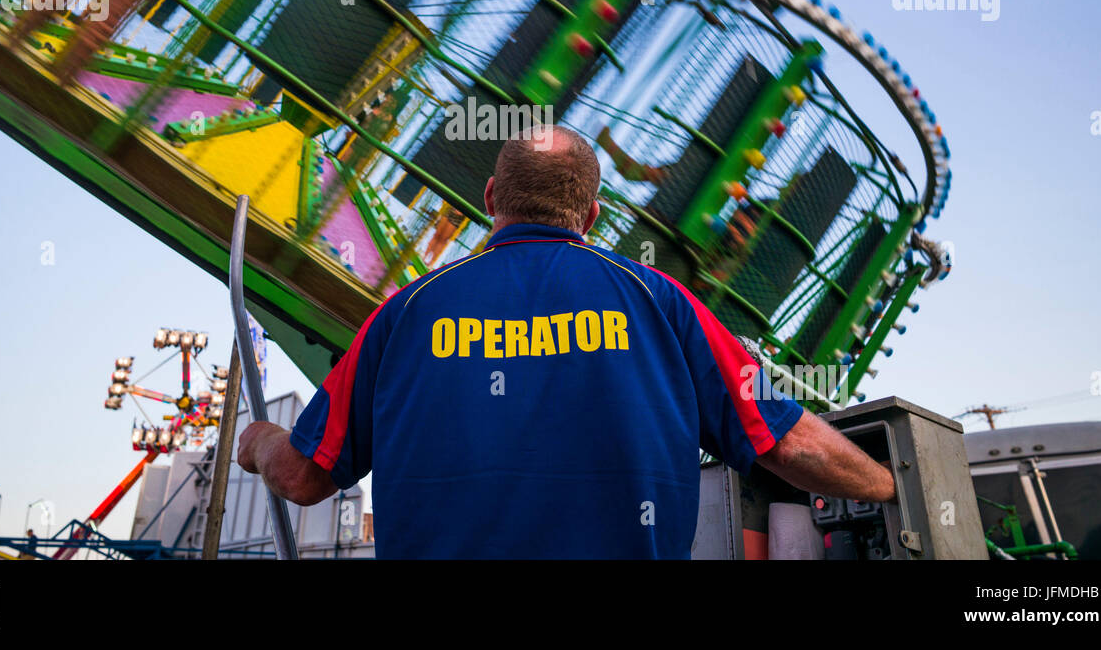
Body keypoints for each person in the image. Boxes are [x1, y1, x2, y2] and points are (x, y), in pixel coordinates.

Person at [238, 125, 897, 558]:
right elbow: (784, 441)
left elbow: (302, 479)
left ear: (492, 195)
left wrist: (259, 440)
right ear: (591, 215)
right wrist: (894, 487)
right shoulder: (659, 301)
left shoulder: (406, 313)